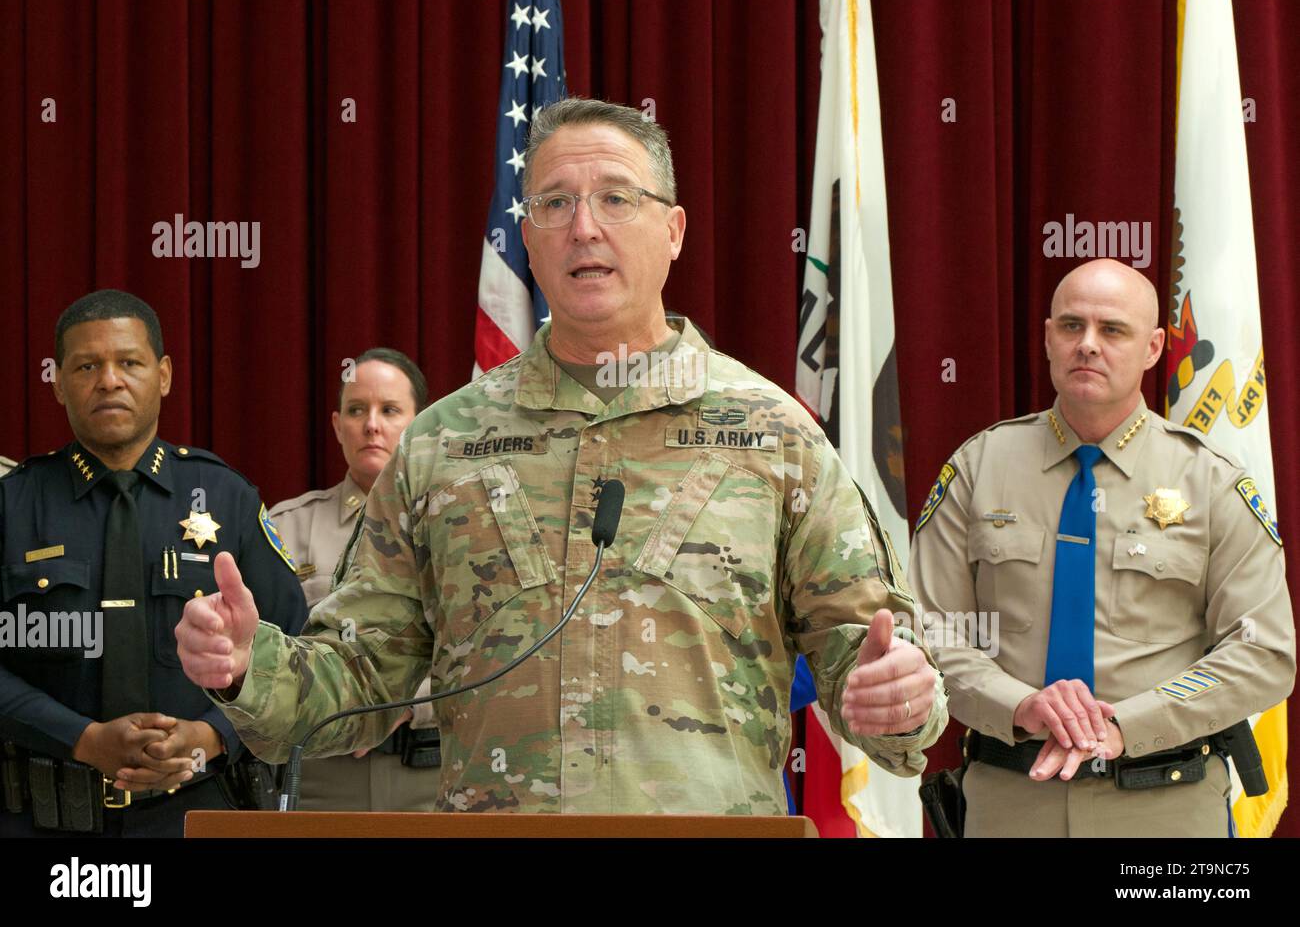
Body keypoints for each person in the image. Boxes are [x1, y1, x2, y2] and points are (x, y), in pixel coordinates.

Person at [177, 97, 948, 815]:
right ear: (528, 236)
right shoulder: (444, 446)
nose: (584, 226)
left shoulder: (774, 435)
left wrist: (901, 697)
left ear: (674, 231)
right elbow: (359, 677)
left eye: (617, 198)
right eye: (553, 203)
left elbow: (869, 662)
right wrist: (252, 667)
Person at [909, 259, 1295, 837]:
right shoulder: (978, 468)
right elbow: (931, 632)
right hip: (1012, 803)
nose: (1088, 344)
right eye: (1071, 326)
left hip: (1166, 812)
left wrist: (1128, 725)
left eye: (1112, 330)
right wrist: (1017, 703)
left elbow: (1263, 651)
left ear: (1153, 347)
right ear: (1046, 337)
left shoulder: (1211, 482)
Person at [0, 290, 308, 837]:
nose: (110, 380)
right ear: (57, 382)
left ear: (163, 375)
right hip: (42, 821)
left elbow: (297, 650)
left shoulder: (227, 498)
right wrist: (82, 738)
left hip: (200, 813)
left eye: (130, 362)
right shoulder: (13, 505)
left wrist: (213, 736)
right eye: (87, 365)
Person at [269, 347, 441, 811]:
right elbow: (267, 650)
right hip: (323, 776)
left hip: (430, 773)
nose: (372, 425)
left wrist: (399, 702)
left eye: (390, 410)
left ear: (420, 424)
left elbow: (485, 648)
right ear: (336, 424)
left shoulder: (456, 526)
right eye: (357, 410)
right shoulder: (287, 528)